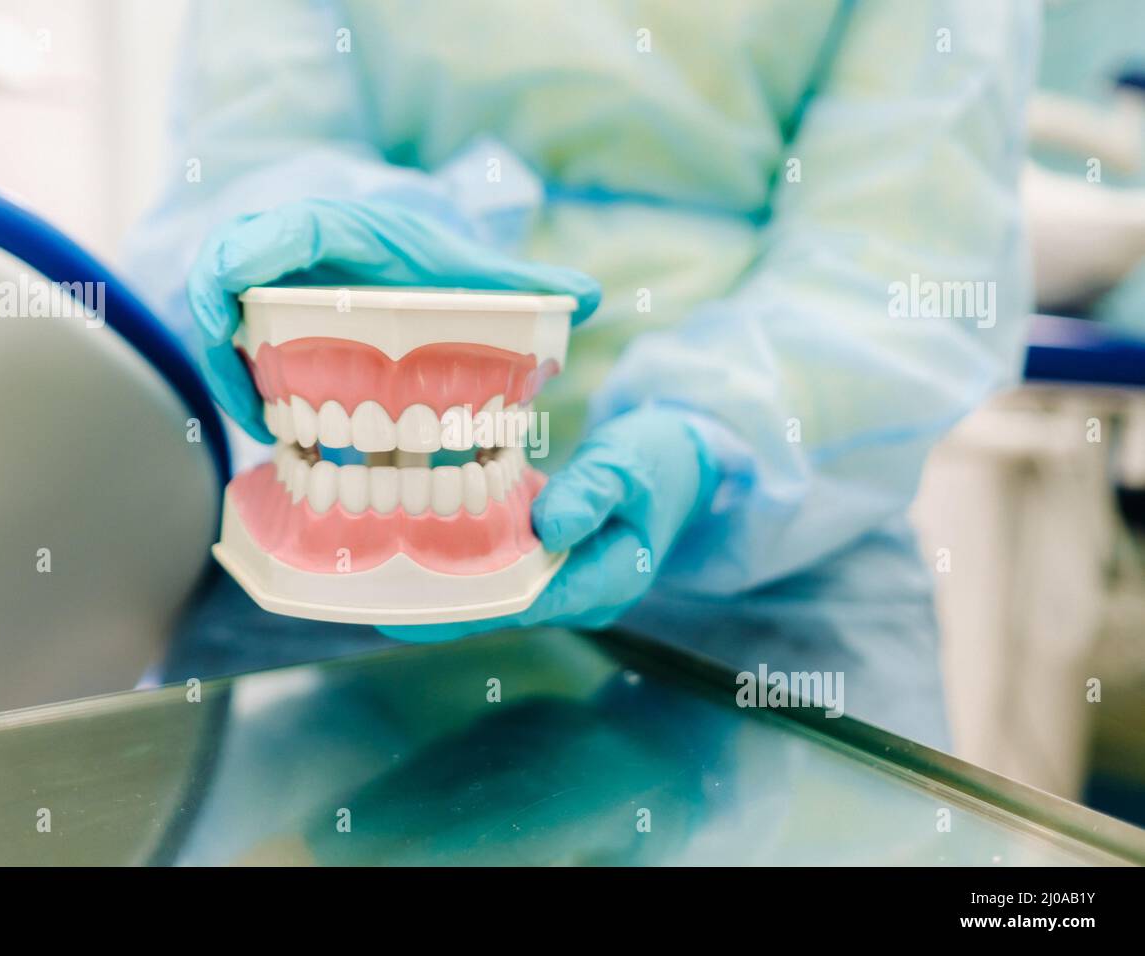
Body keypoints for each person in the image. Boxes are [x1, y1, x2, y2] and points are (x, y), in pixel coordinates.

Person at [125, 0, 1040, 749]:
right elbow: (242, 150)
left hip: (785, 574)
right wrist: (316, 244)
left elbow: (904, 247)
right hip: (326, 559)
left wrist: (718, 442)